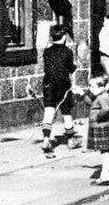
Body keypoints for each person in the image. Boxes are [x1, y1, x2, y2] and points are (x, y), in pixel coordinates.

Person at [40, 24, 77, 155]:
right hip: (63, 85)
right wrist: (75, 66)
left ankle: (46, 139)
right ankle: (71, 140)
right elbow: (71, 68)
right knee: (66, 112)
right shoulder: (68, 52)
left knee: (49, 111)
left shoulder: (46, 52)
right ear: (64, 37)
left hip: (48, 84)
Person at [76, 75, 109, 186]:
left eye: (92, 86)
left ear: (101, 87)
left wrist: (97, 117)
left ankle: (105, 177)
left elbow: (106, 109)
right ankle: (107, 175)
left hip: (101, 126)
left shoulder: (103, 97)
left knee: (105, 153)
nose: (90, 89)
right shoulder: (99, 96)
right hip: (100, 127)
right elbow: (91, 103)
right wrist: (82, 94)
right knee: (107, 152)